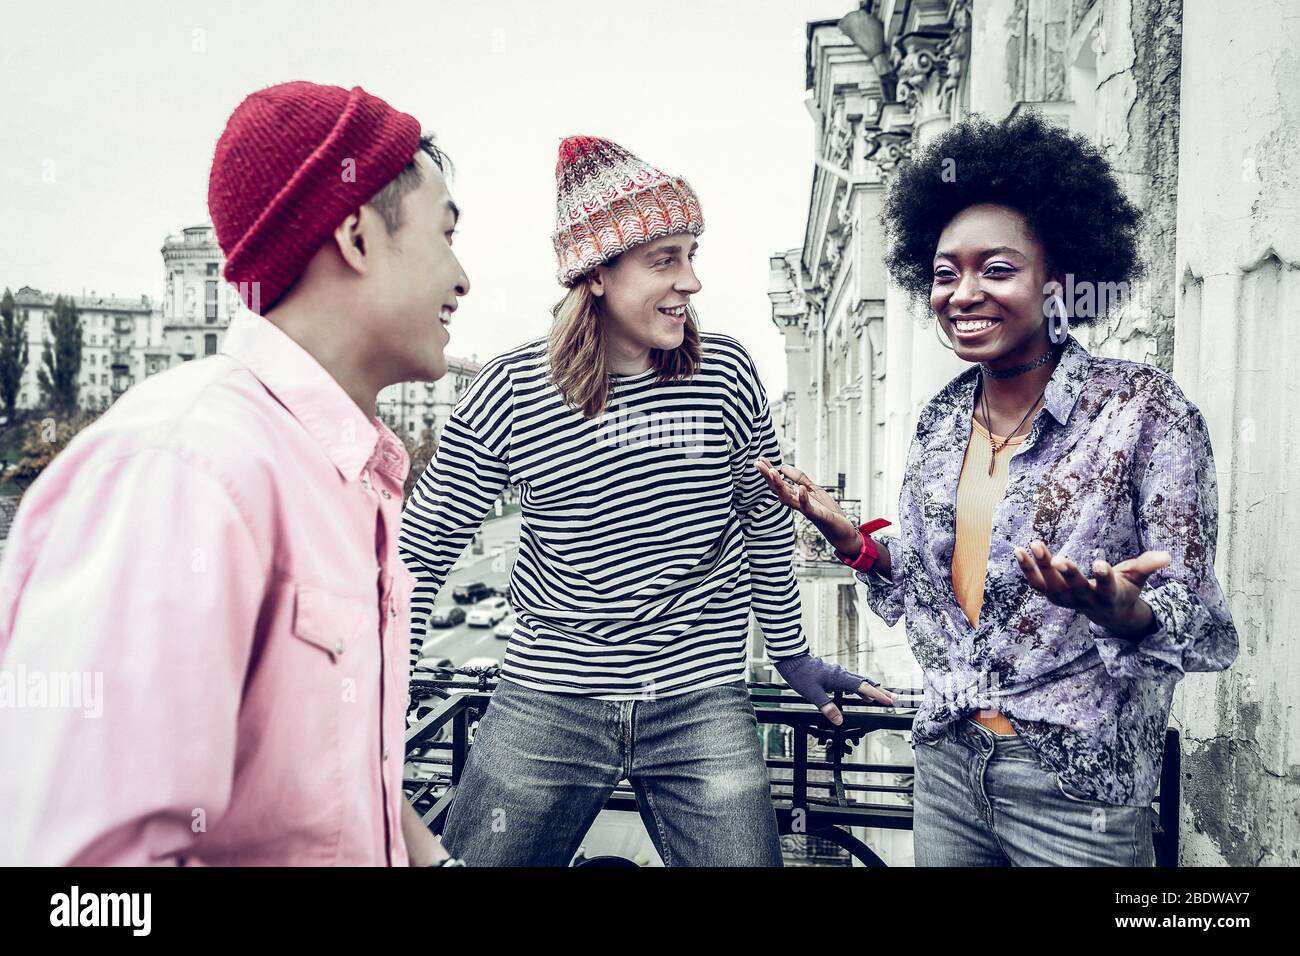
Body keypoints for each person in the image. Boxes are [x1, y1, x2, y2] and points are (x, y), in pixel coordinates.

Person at [0, 80, 467, 865]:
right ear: (356, 237)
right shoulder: (186, 470)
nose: (461, 278)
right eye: (446, 234)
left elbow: (341, 785)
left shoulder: (341, 471)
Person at [757, 110, 1238, 867]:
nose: (963, 292)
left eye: (998, 269)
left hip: (1077, 790)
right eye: (946, 272)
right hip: (949, 770)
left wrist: (1128, 611)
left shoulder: (1145, 411)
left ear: (1060, 280)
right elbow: (929, 590)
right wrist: (852, 543)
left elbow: (1199, 621)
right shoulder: (942, 420)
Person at [399, 135, 892, 867]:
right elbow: (422, 546)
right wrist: (385, 692)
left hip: (700, 698)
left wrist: (789, 653)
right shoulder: (508, 389)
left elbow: (762, 521)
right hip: (548, 696)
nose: (691, 282)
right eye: (665, 259)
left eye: (692, 255)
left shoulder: (724, 373)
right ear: (595, 275)